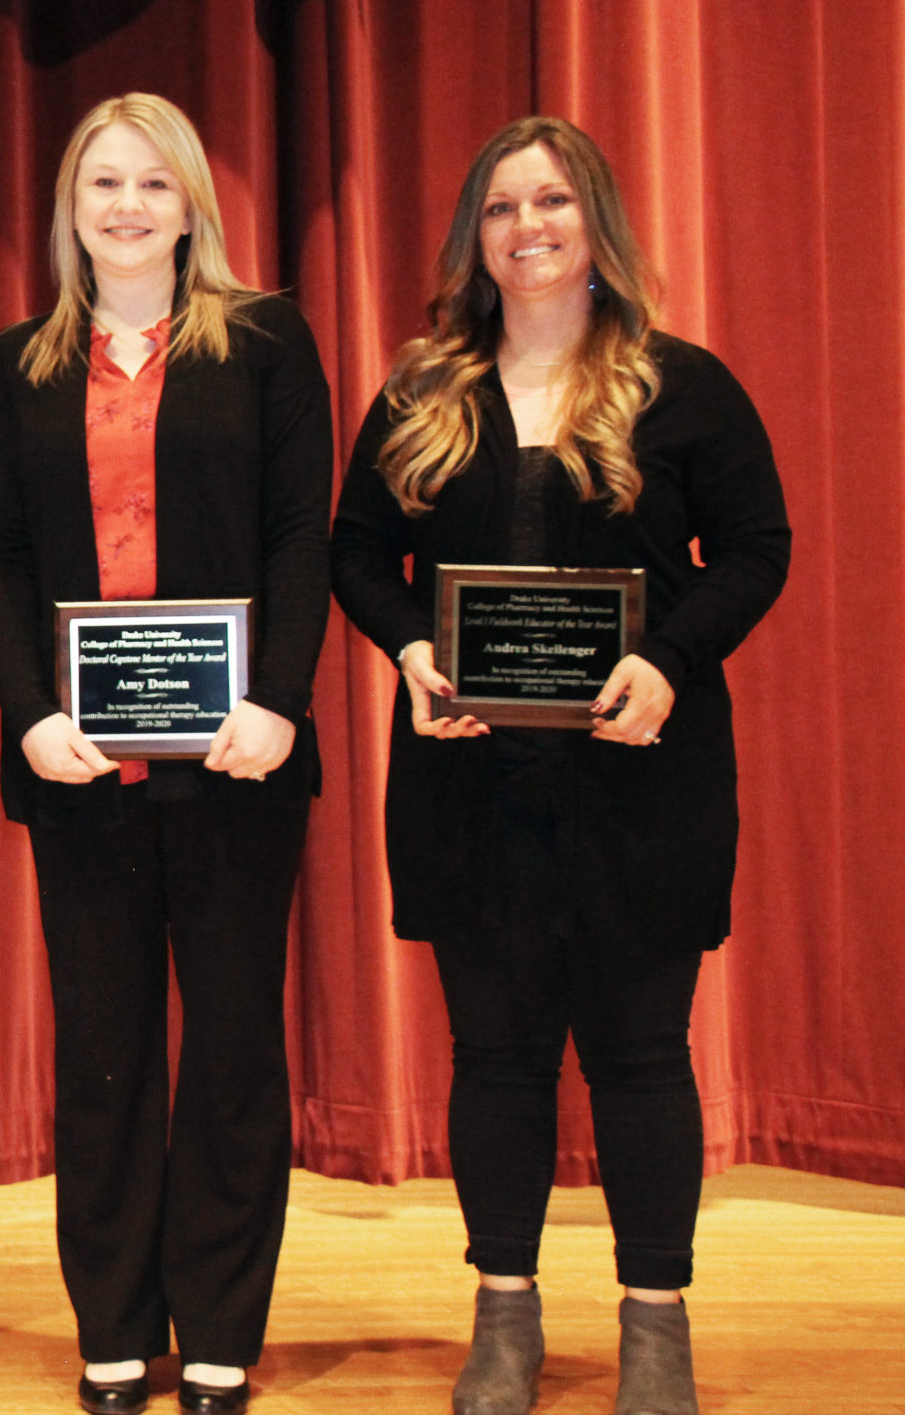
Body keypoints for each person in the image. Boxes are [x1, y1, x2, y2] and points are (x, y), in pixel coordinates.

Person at [330, 116, 788, 1415]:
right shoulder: (422, 395)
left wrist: (669, 662)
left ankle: (657, 1330)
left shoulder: (683, 384)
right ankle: (506, 1323)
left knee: (643, 1055)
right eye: (500, 209)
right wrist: (417, 653)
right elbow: (357, 551)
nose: (526, 228)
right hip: (472, 783)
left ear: (597, 226)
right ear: (473, 236)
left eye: (552, 203)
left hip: (646, 777)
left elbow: (758, 547)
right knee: (497, 1057)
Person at [0, 94, 331, 1415]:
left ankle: (223, 1324)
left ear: (193, 206)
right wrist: (27, 712)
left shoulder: (271, 346)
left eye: (153, 185)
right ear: (69, 206)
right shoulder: (16, 367)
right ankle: (114, 1326)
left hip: (238, 755)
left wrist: (280, 698)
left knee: (233, 1048)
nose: (127, 207)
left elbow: (302, 535)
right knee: (104, 1055)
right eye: (102, 183)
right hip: (82, 768)